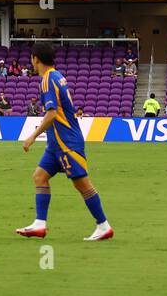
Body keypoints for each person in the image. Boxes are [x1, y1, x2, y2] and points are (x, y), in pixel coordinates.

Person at [16, 42, 113, 242]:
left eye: (32, 58)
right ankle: (40, 224)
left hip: (66, 141)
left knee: (82, 184)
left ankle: (103, 225)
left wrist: (32, 136)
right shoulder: (57, 75)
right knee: (39, 176)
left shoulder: (46, 80)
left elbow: (51, 113)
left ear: (36, 58)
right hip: (56, 143)